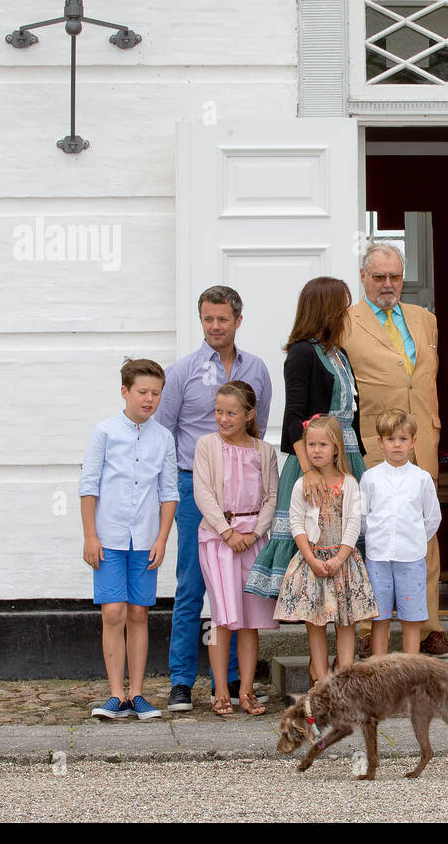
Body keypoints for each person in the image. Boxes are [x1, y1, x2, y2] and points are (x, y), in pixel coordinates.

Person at [158, 285, 272, 712]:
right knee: (192, 587)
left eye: (223, 319)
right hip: (196, 490)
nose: (215, 326)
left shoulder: (257, 369)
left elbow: (258, 428)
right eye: (208, 319)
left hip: (245, 501)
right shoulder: (182, 372)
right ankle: (182, 681)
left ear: (238, 320)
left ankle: (233, 683)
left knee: (240, 591)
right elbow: (165, 433)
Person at [342, 243, 448, 656]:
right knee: (376, 537)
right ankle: (372, 628)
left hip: (421, 438)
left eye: (395, 277)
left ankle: (429, 626)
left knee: (425, 534)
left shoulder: (426, 320)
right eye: (380, 277)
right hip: (374, 441)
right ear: (364, 277)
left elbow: (419, 381)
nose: (388, 285)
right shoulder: (345, 321)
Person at [245, 277, 364, 603]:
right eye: (342, 304)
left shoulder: (339, 354)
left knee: (347, 544)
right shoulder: (301, 353)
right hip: (315, 462)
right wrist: (310, 470)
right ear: (326, 308)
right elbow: (294, 416)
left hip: (347, 457)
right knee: (317, 541)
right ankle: (319, 648)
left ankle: (344, 645)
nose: (346, 311)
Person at [79, 358, 178, 721]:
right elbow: (88, 486)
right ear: (125, 392)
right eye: (142, 392)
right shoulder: (104, 432)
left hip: (146, 538)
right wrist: (90, 535)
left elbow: (169, 493)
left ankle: (137, 694)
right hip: (109, 536)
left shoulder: (164, 437)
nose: (149, 399)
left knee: (138, 612)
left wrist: (162, 538)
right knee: (114, 611)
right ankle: (115, 694)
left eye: (155, 393)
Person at [193, 381, 280, 716]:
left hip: (254, 539)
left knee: (249, 619)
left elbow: (271, 496)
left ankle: (245, 691)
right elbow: (203, 492)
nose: (223, 419)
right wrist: (227, 531)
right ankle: (219, 691)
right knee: (222, 616)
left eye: (231, 413)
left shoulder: (264, 450)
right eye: (219, 411)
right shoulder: (207, 446)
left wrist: (257, 531)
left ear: (249, 414)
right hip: (219, 538)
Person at [276, 415, 377, 681]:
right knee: (316, 621)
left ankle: (345, 675)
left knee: (346, 621)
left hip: (343, 562)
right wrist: (311, 559)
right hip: (314, 561)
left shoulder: (349, 483)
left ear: (336, 449)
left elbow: (354, 523)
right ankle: (320, 679)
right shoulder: (302, 484)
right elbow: (296, 523)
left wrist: (340, 558)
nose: (316, 450)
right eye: (311, 444)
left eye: (322, 445)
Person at [360, 410, 442, 656]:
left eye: (403, 439)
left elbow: (432, 518)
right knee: (380, 617)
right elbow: (363, 517)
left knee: (411, 618)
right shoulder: (370, 478)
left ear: (413, 442)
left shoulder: (422, 479)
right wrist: (375, 539)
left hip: (411, 560)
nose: (397, 445)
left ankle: (410, 667)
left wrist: (415, 539)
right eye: (391, 439)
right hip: (378, 559)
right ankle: (380, 669)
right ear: (380, 442)